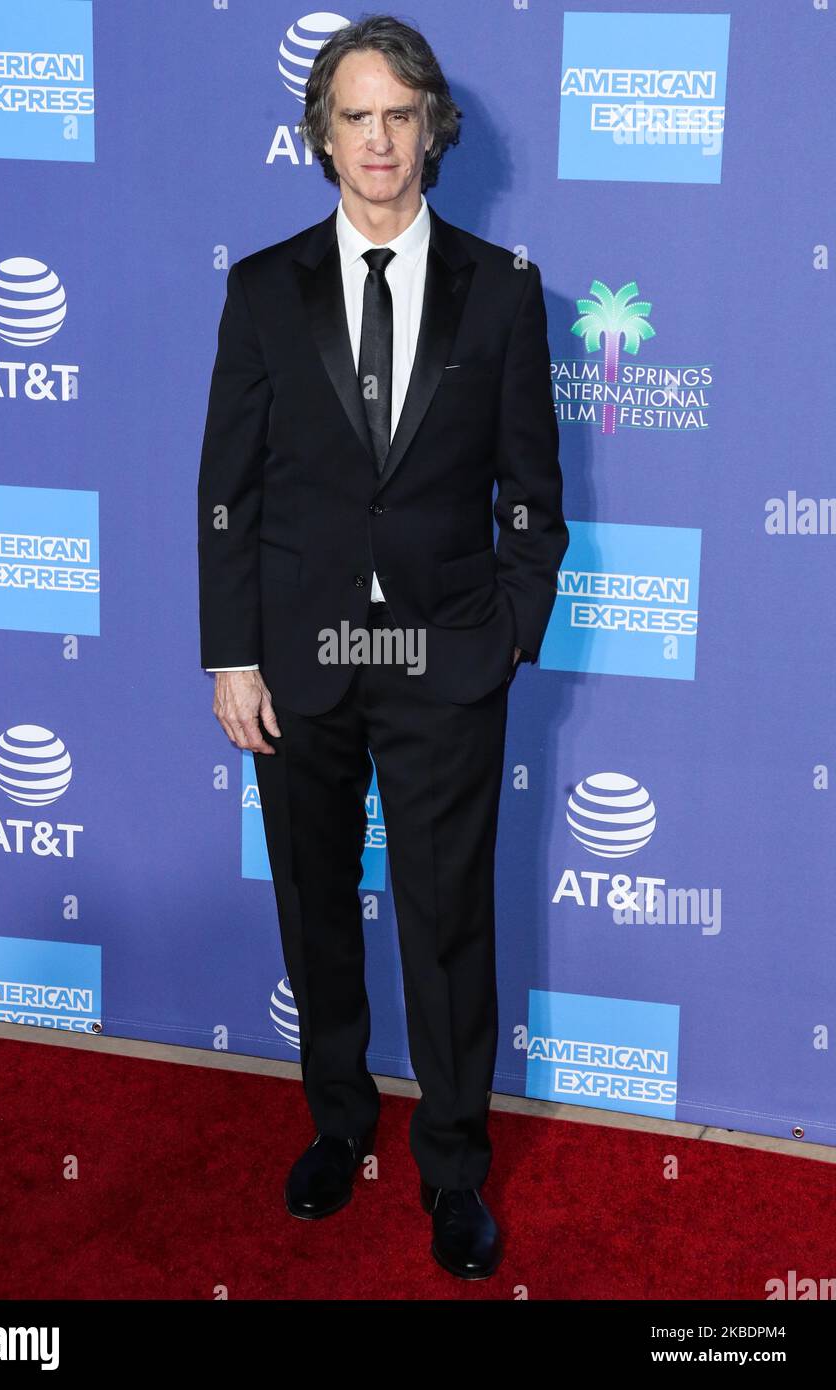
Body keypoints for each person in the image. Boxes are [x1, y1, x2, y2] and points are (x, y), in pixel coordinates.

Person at [197, 14, 568, 1280]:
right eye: (355, 116)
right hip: (298, 664)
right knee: (315, 911)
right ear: (322, 136)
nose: (379, 139)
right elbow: (228, 490)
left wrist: (506, 631)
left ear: (431, 131)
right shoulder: (261, 288)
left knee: (447, 922)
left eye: (399, 115)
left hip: (444, 660)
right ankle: (337, 1125)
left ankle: (453, 1170)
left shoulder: (504, 290)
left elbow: (532, 492)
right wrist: (230, 653)